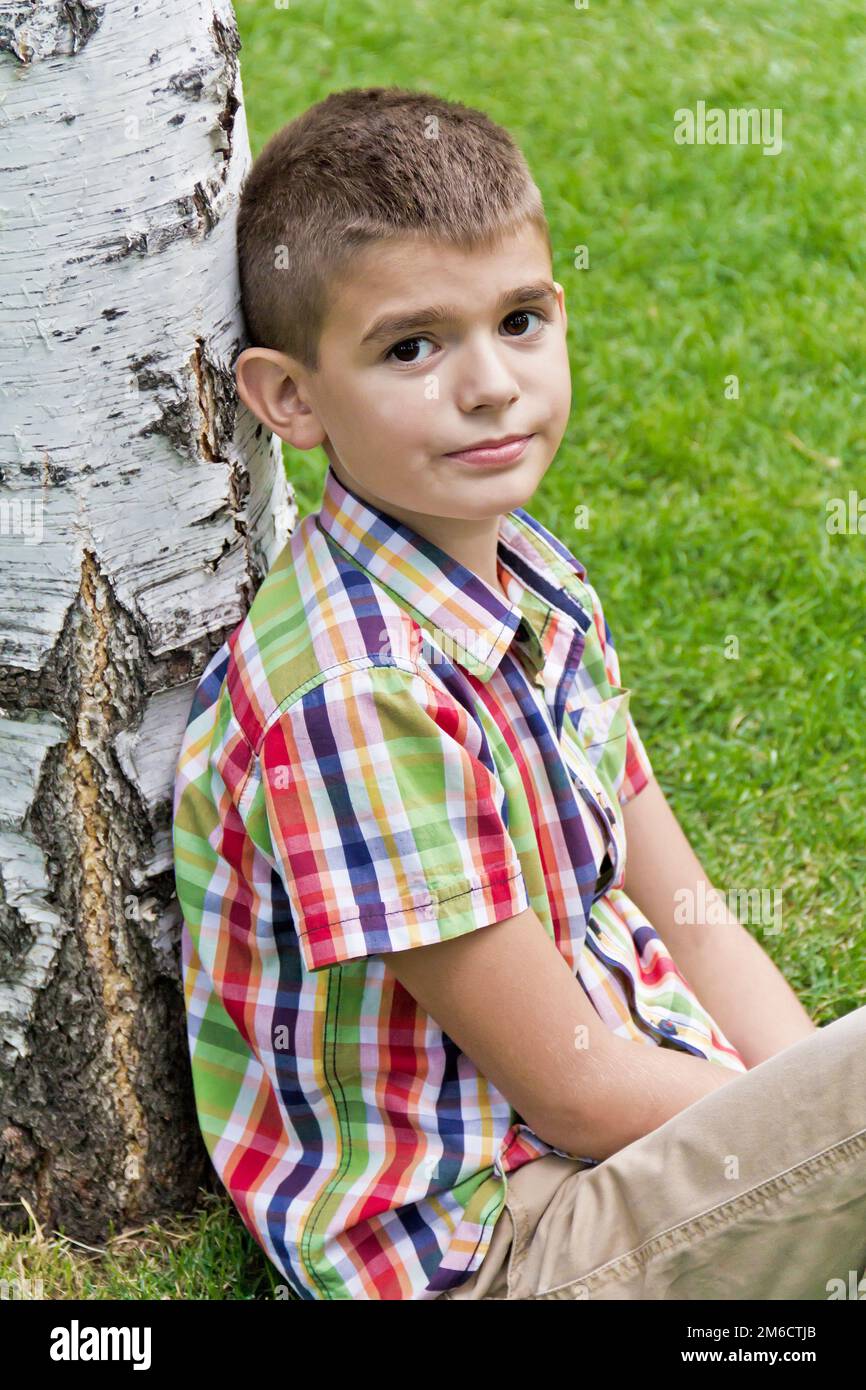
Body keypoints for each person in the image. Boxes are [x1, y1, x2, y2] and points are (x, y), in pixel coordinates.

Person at [171, 86, 866, 1301]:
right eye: (411, 346)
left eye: (520, 320)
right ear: (287, 398)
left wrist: (814, 1121)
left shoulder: (533, 575)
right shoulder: (355, 696)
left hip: (624, 1134)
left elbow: (686, 903)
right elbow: (576, 1088)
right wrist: (812, 1139)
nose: (489, 384)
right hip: (502, 1247)